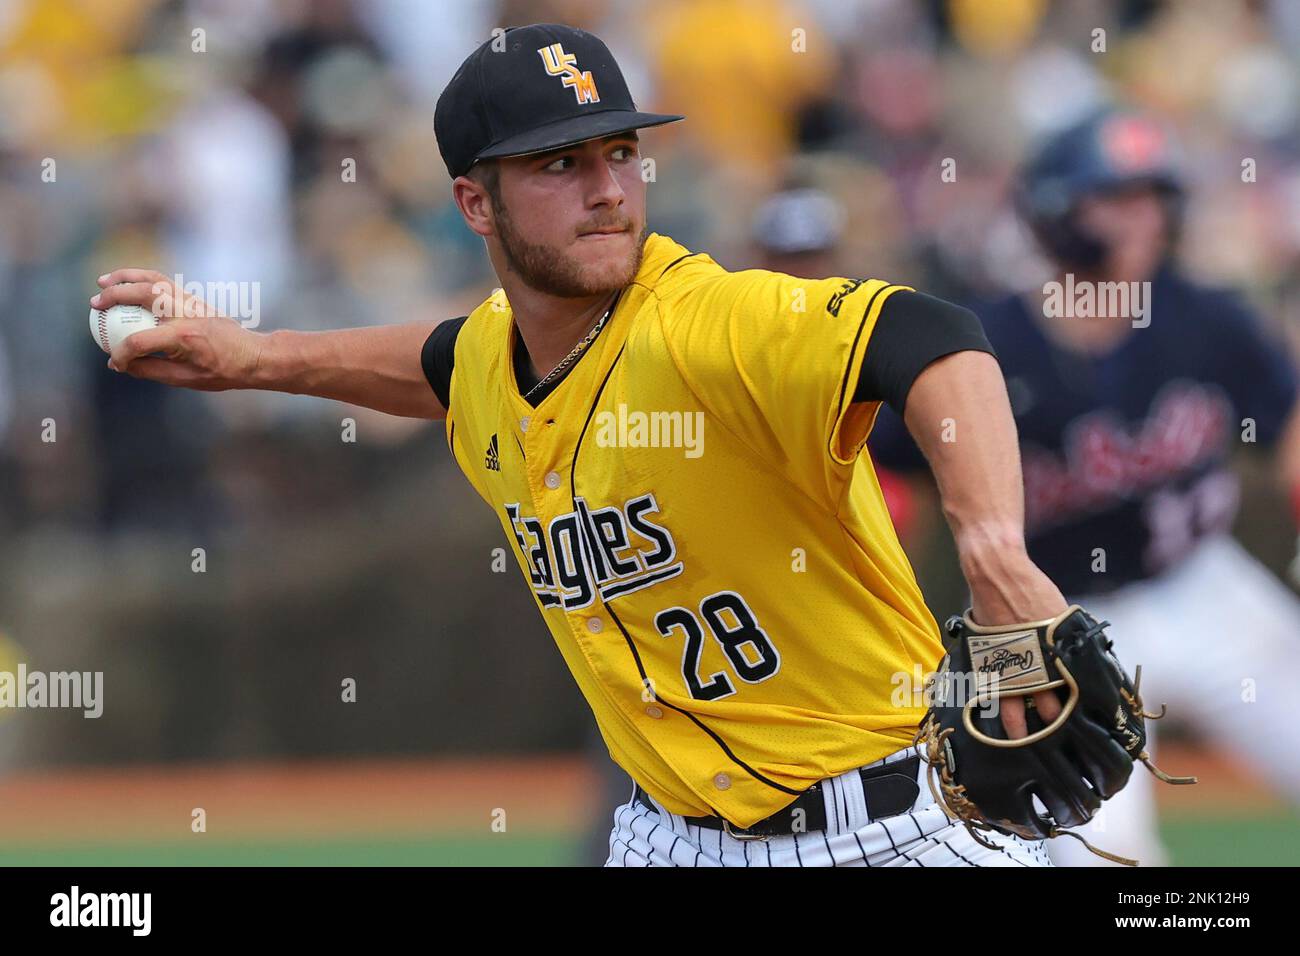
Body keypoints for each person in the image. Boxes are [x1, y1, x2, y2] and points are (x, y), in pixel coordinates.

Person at [93, 23, 1109, 867]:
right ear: (473, 202)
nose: (608, 188)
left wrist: (991, 551)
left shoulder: (709, 322)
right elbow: (438, 362)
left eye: (621, 152)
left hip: (885, 828)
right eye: (559, 164)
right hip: (664, 838)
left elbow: (935, 338)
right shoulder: (494, 355)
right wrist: (252, 357)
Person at [872, 108, 1300, 866]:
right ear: (1055, 213)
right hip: (1047, 619)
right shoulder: (982, 343)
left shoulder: (1203, 318)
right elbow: (880, 473)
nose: (1143, 221)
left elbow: (1288, 424)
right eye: (1117, 199)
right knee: (1094, 853)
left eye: (1152, 201)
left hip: (1206, 587)